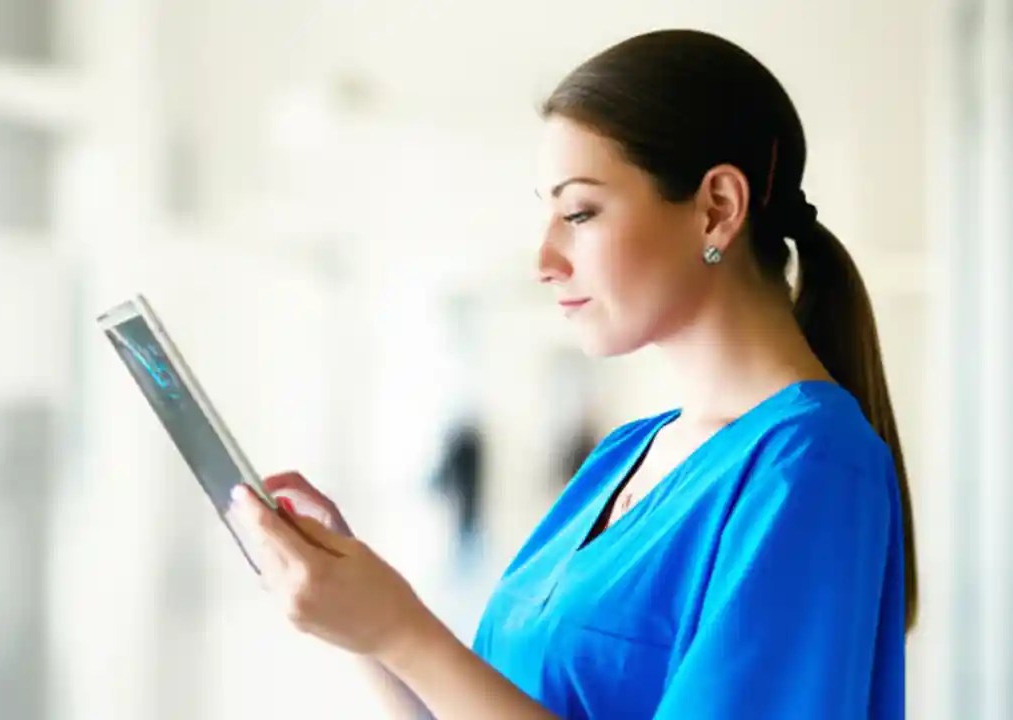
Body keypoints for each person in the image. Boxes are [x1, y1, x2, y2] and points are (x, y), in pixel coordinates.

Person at [229, 28, 916, 719]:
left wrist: (401, 631)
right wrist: (360, 617)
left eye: (580, 212)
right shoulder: (628, 452)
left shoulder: (810, 465)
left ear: (717, 209)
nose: (544, 258)